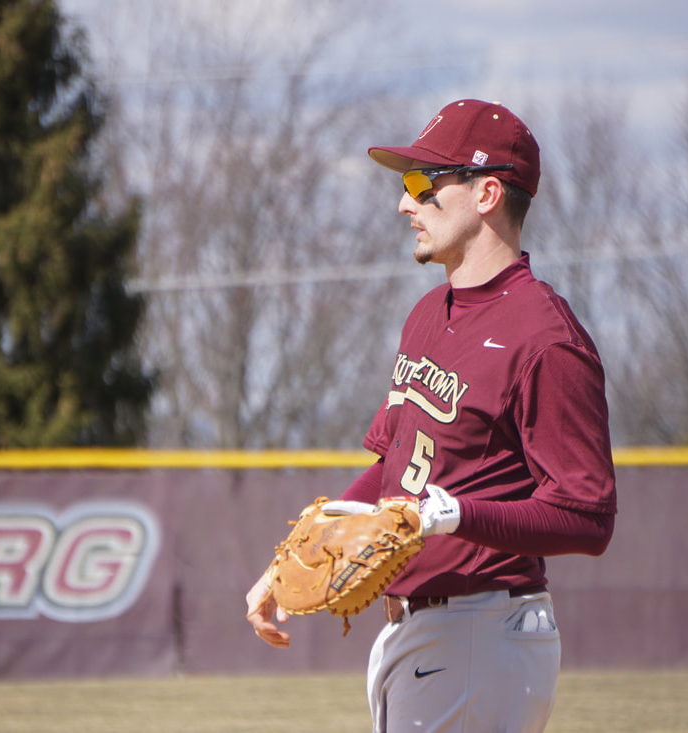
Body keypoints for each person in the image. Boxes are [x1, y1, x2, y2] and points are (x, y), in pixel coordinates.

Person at [246, 98, 617, 733]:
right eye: (404, 184)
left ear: (487, 193)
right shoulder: (428, 315)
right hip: (420, 633)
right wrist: (293, 560)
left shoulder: (545, 338)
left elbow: (588, 516)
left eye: (424, 183)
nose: (404, 203)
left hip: (481, 630)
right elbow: (394, 468)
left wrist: (454, 515)